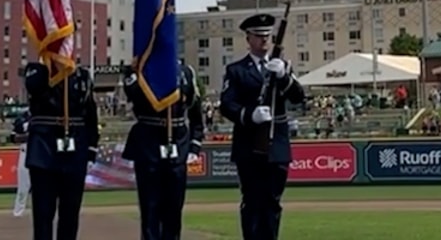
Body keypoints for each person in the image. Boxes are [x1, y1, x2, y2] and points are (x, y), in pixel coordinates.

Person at [219, 12, 305, 240]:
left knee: (272, 203)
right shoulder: (236, 70)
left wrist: (285, 77)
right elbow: (226, 105)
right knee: (252, 203)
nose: (264, 40)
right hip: (249, 145)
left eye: (267, 35)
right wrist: (249, 115)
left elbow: (298, 98)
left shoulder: (282, 66)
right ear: (248, 38)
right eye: (258, 35)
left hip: (276, 144)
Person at [123, 59, 206, 240]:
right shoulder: (138, 71)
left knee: (174, 210)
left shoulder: (186, 72)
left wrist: (194, 145)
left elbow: (195, 112)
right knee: (150, 209)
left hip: (178, 144)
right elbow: (134, 95)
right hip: (148, 146)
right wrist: (139, 71)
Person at [22, 60, 100, 240]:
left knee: (70, 214)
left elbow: (90, 113)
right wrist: (55, 71)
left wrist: (91, 147)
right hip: (43, 149)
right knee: (43, 214)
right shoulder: (37, 71)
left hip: (75, 148)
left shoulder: (82, 76)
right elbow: (34, 88)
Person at [10, 107, 32, 217]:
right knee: (23, 187)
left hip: (41, 150)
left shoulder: (45, 113)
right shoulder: (23, 117)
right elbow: (13, 137)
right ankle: (18, 213)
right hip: (25, 151)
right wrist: (32, 136)